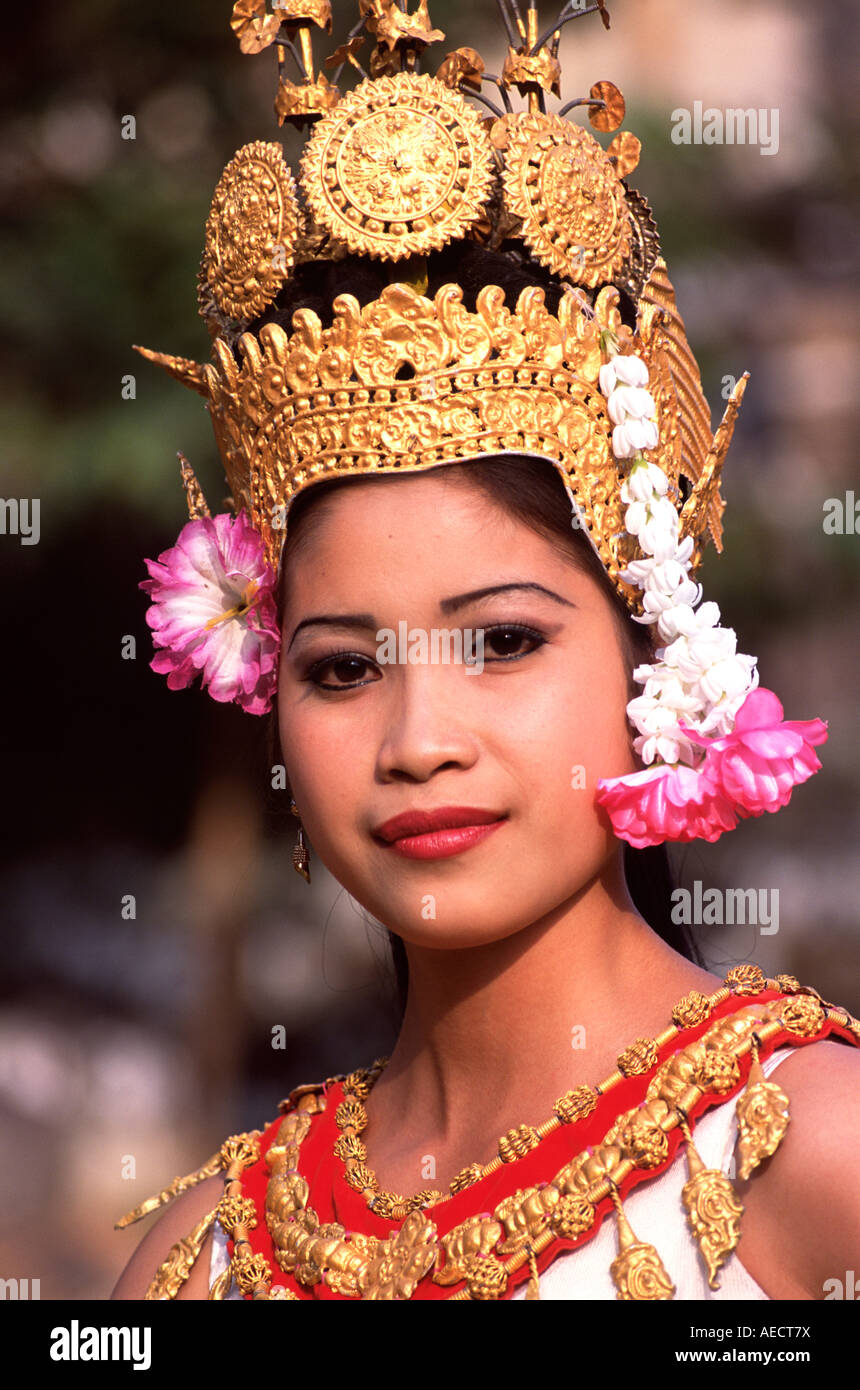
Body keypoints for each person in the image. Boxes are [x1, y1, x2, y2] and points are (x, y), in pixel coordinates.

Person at [111, 1, 860, 1301]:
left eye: (503, 640)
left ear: (653, 650)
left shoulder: (806, 1161)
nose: (418, 742)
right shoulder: (199, 1263)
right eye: (343, 667)